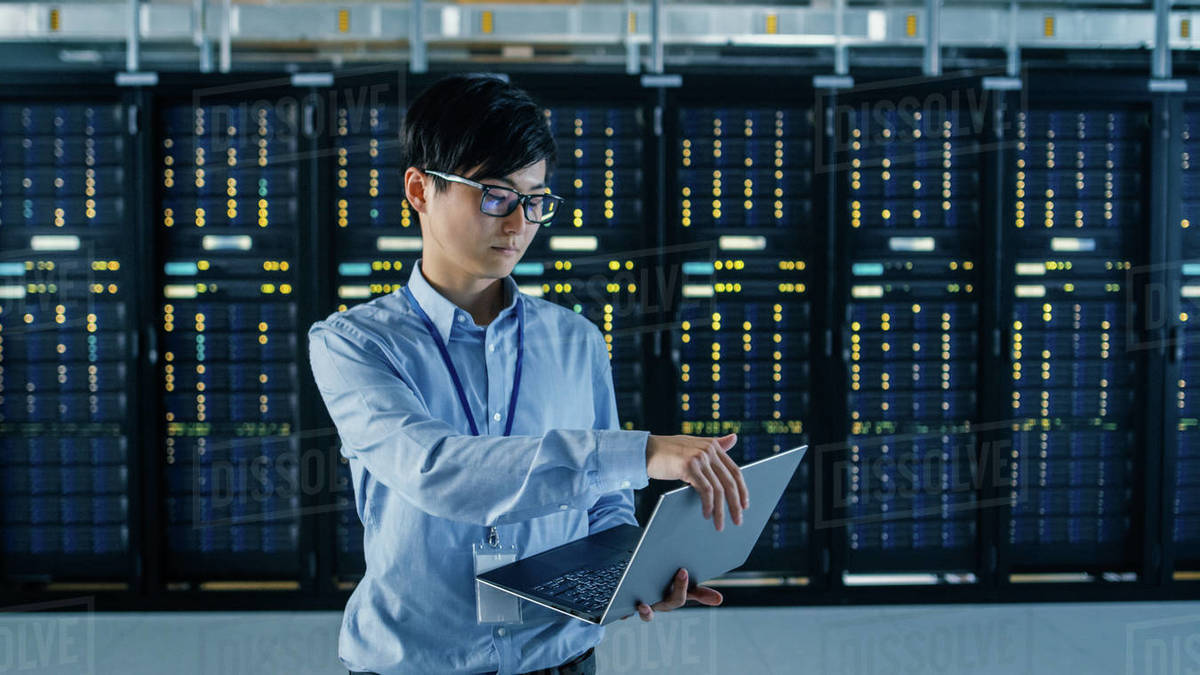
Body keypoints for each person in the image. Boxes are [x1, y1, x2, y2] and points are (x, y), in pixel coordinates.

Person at [308, 73, 749, 675]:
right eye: (494, 194)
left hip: (561, 662)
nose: (519, 223)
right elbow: (436, 470)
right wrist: (640, 451)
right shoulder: (354, 345)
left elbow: (607, 509)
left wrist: (632, 577)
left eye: (536, 199)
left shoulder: (576, 341)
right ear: (419, 189)